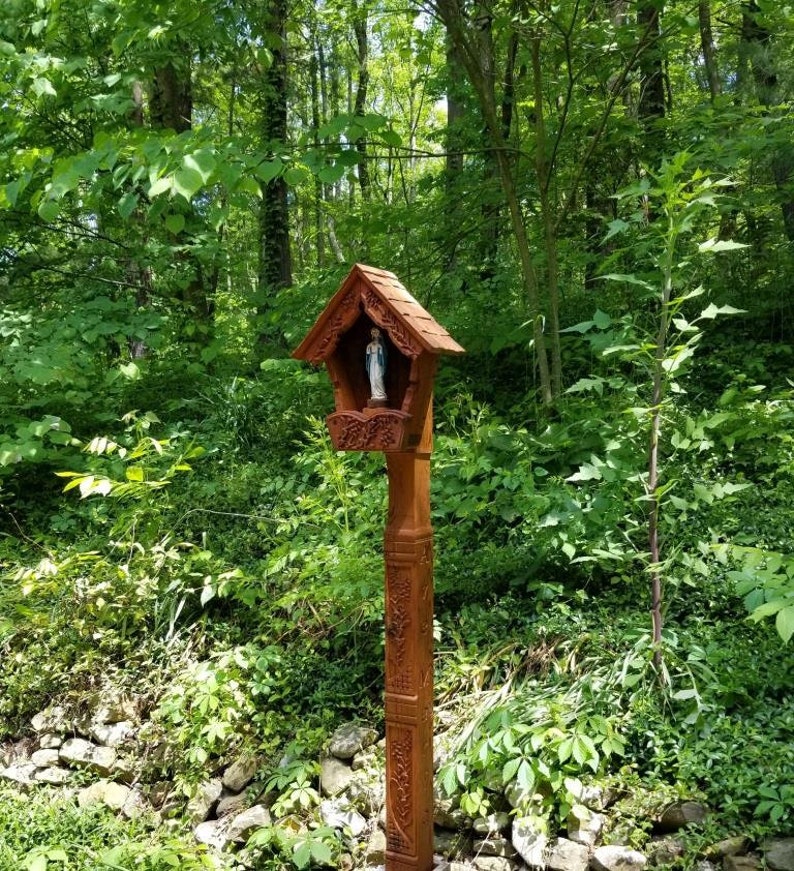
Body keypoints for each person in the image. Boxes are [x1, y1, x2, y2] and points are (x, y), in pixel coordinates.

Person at [365, 327, 387, 402]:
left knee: (378, 377)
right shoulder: (369, 345)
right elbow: (367, 355)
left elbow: (383, 357)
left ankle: (381, 394)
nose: (375, 338)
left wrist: (379, 348)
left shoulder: (380, 346)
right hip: (372, 362)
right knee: (373, 378)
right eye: (374, 335)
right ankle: (374, 394)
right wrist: (369, 348)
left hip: (378, 362)